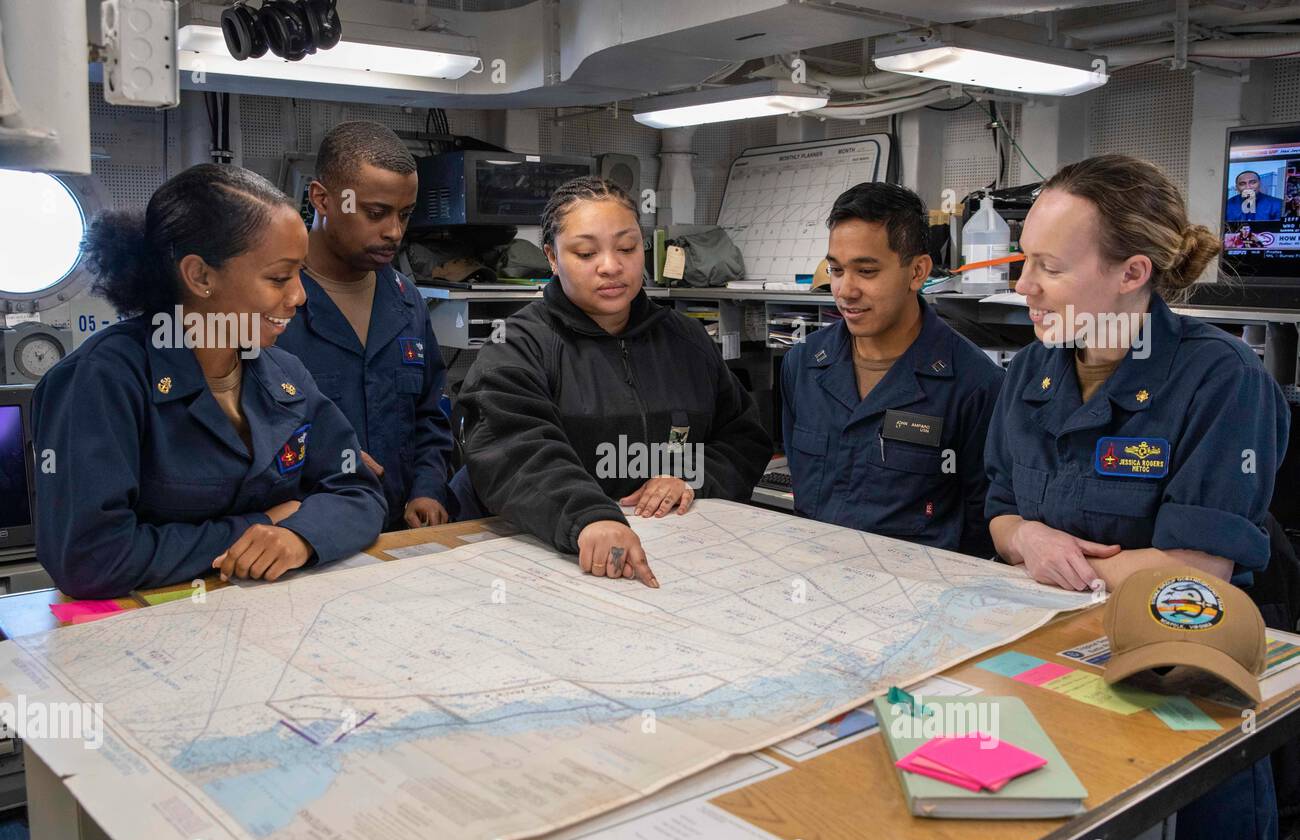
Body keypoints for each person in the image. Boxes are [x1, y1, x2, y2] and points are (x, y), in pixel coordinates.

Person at [984, 154, 1286, 840]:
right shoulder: (1029, 373)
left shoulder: (1221, 379)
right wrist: (1030, 537)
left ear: (1132, 273)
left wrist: (1049, 554)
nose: (1024, 288)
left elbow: (1195, 569)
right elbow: (999, 511)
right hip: (1044, 681)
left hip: (1175, 693)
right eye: (1024, 264)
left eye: (1049, 267)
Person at [33, 163, 387, 599]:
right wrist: (260, 527)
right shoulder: (102, 381)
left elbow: (357, 489)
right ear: (200, 276)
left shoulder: (285, 374)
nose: (299, 296)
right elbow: (89, 558)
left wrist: (300, 537)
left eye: (301, 274)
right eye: (279, 278)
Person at [457, 176, 771, 584]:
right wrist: (588, 518)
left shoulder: (687, 341)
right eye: (586, 252)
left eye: (626, 248)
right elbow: (514, 451)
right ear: (552, 257)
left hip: (678, 557)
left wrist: (691, 476)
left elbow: (743, 437)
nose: (611, 266)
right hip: (555, 557)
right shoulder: (517, 346)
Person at [781, 182, 1003, 556]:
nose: (845, 290)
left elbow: (983, 521)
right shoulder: (803, 364)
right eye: (836, 270)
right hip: (814, 582)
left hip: (918, 595)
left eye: (866, 272)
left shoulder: (974, 384)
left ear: (917, 272)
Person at [276, 121, 456, 530]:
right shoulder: (272, 304)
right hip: (305, 533)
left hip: (397, 536)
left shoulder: (407, 301)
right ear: (322, 199)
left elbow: (430, 414)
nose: (393, 232)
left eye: (404, 215)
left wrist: (428, 489)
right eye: (375, 213)